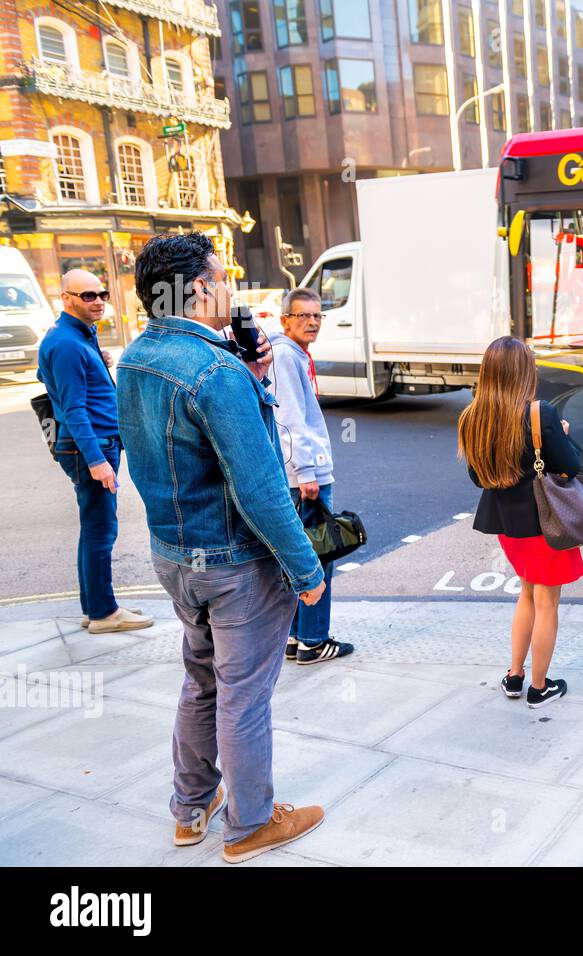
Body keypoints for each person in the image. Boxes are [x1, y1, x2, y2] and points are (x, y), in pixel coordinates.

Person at [116, 232, 326, 864]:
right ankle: (251, 824)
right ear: (199, 288)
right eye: (223, 277)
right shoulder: (215, 372)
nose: (231, 288)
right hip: (235, 564)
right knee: (243, 695)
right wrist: (305, 568)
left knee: (202, 682)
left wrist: (254, 374)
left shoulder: (133, 358)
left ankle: (190, 808)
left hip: (175, 556)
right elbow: (261, 489)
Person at [459, 336, 583, 709]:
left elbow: (477, 477)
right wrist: (559, 435)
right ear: (523, 371)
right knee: (547, 603)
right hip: (545, 524)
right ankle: (539, 686)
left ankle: (515, 675)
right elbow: (570, 467)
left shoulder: (472, 416)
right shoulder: (538, 413)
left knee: (527, 594)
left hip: (508, 528)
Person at [37, 269, 153, 634]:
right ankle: (104, 614)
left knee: (93, 529)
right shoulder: (68, 344)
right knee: (102, 531)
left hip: (91, 444)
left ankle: (96, 607)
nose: (99, 300)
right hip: (90, 447)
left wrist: (94, 363)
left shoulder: (74, 338)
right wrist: (97, 461)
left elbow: (48, 378)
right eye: (88, 295)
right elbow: (72, 409)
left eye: (101, 293)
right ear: (66, 298)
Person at [268, 287, 352, 666]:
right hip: (305, 475)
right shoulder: (286, 356)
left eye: (317, 315)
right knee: (319, 556)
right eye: (303, 316)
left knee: (302, 555)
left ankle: (296, 637)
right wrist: (306, 472)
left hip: (300, 473)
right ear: (285, 320)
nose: (313, 322)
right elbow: (291, 419)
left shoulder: (290, 354)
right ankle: (314, 641)